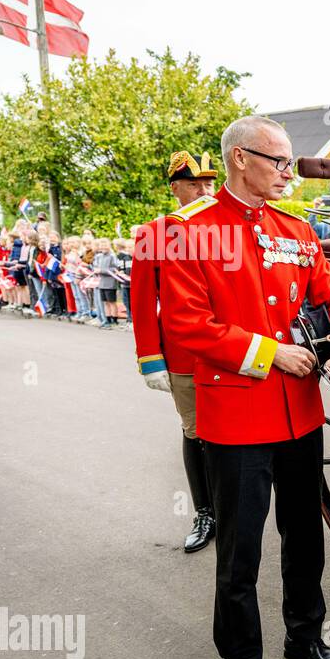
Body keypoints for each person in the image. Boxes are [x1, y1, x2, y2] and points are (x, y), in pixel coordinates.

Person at [161, 116, 330, 659]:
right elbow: (189, 324)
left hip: (300, 413)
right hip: (238, 416)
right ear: (241, 158)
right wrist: (270, 353)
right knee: (240, 551)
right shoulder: (187, 231)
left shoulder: (295, 229)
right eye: (278, 161)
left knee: (305, 535)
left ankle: (304, 635)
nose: (288, 172)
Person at [133, 150, 221, 554]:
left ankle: (233, 506)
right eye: (194, 184)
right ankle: (205, 511)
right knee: (196, 431)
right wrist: (151, 358)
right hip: (185, 354)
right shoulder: (154, 233)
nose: (205, 190)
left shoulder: (227, 228)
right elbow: (141, 301)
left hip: (234, 351)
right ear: (175, 189)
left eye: (209, 183)